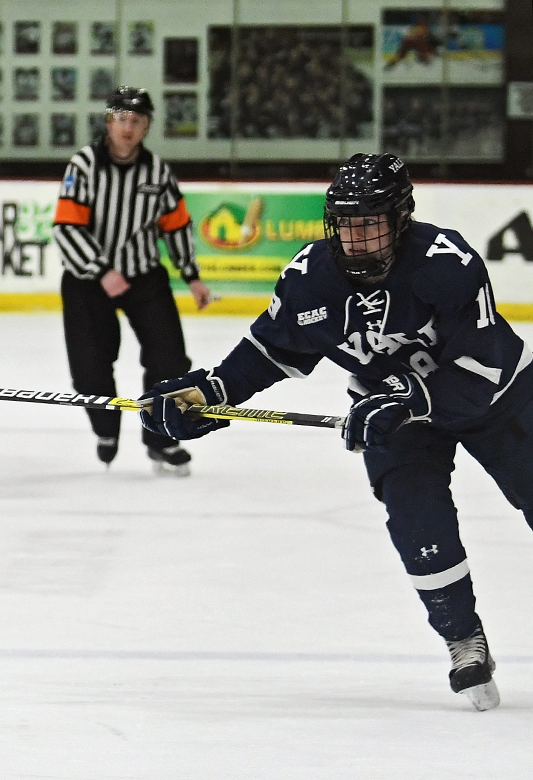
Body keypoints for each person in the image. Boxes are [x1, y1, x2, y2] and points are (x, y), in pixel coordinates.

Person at [140, 153, 531, 711]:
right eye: (346, 225)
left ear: (401, 219)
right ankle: (462, 636)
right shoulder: (310, 278)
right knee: (417, 522)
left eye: (370, 224)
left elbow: (481, 363)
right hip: (391, 412)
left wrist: (411, 398)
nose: (356, 239)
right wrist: (212, 392)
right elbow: (270, 349)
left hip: (499, 398)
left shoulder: (446, 261)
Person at [53, 86, 215, 475]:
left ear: (147, 127)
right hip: (88, 279)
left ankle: (162, 438)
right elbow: (67, 227)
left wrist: (192, 276)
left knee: (170, 359)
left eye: (137, 120)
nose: (128, 127)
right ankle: (106, 430)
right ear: (108, 122)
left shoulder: (157, 171)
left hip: (143, 275)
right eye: (122, 118)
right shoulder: (83, 166)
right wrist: (100, 270)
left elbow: (176, 225)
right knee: (90, 365)